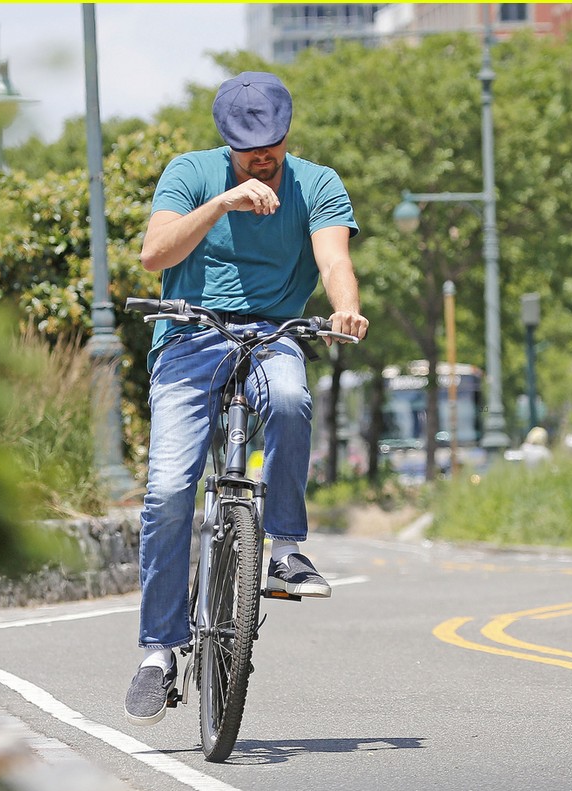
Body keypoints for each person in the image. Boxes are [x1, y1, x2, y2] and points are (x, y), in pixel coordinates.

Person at [125, 71, 369, 726]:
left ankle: (286, 548)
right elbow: (153, 254)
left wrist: (346, 309)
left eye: (272, 148)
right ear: (227, 144)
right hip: (189, 334)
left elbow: (334, 261)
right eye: (249, 151)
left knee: (290, 397)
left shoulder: (317, 184)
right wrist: (224, 203)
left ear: (287, 136)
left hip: (274, 333)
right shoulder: (191, 172)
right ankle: (158, 648)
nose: (263, 160)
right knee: (169, 491)